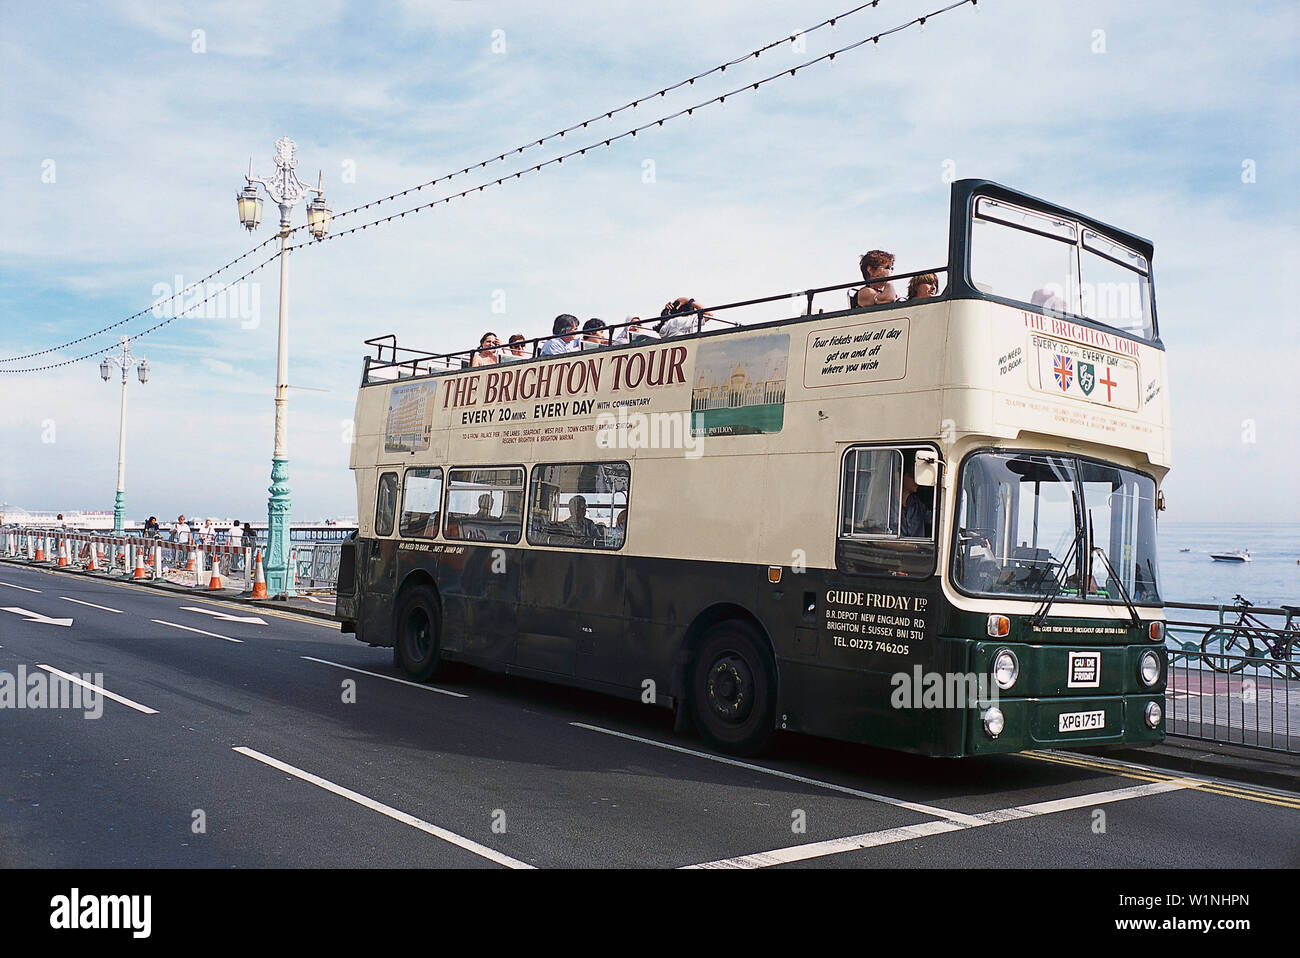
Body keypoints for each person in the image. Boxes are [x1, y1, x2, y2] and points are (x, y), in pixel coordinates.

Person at [900, 467, 933, 538]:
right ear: (905, 476)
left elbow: (932, 520)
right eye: (914, 478)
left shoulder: (917, 503)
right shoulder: (887, 502)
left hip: (917, 548)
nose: (917, 482)